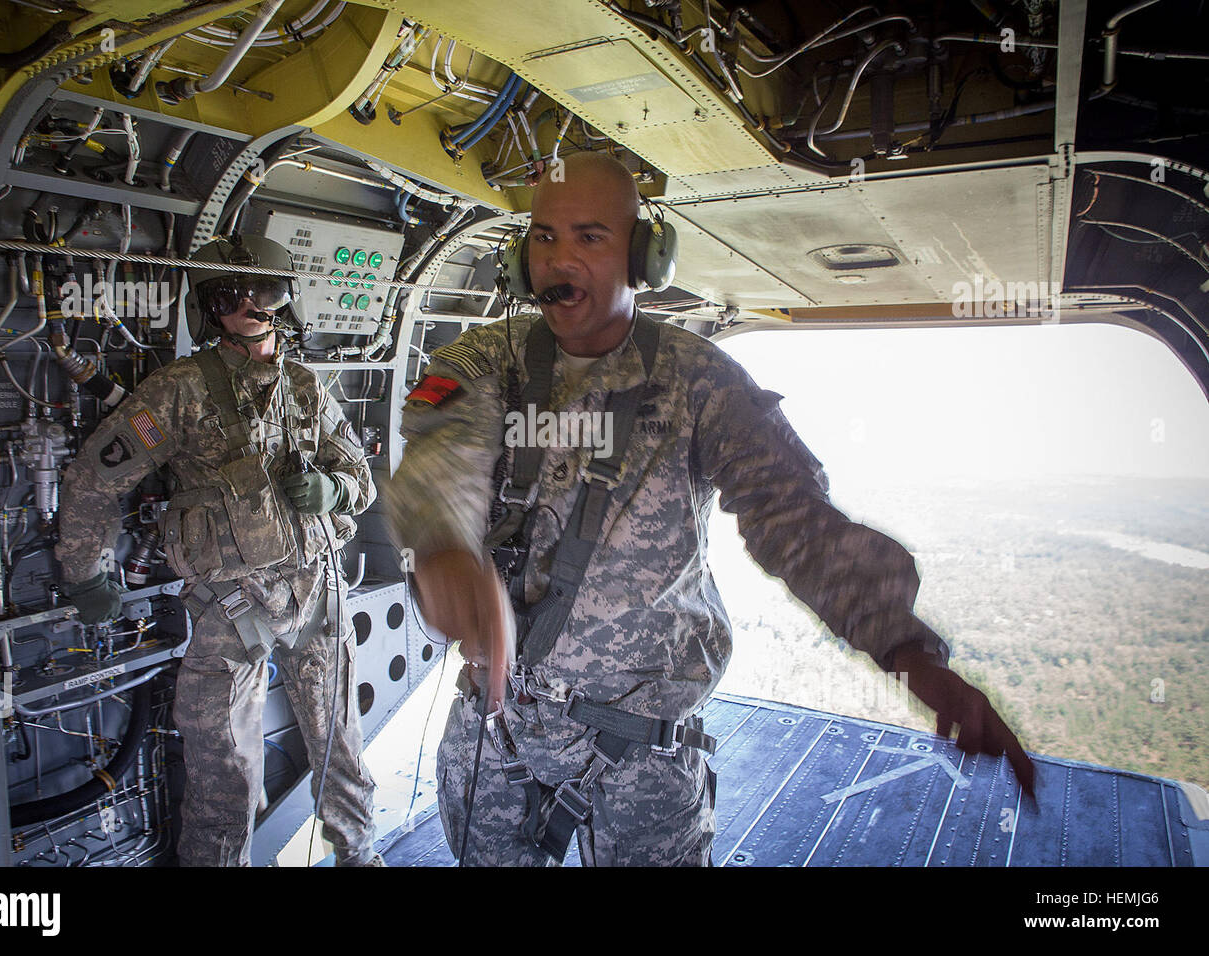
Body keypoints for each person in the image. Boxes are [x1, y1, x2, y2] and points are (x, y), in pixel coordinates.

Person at [385, 151, 1035, 867]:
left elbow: (790, 516)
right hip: (497, 731)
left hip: (639, 752)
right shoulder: (480, 362)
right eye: (543, 237)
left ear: (642, 254)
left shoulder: (700, 381)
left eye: (590, 237)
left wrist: (907, 651)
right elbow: (440, 464)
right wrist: (446, 553)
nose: (559, 260)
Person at [55, 235, 380, 866]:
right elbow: (97, 476)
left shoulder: (308, 389)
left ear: (284, 300)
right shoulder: (178, 392)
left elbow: (361, 484)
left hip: (315, 592)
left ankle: (360, 856)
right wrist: (85, 573)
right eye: (230, 295)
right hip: (229, 607)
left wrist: (333, 487)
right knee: (221, 776)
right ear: (211, 309)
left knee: (342, 748)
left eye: (265, 291)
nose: (249, 307)